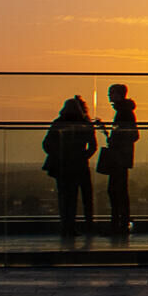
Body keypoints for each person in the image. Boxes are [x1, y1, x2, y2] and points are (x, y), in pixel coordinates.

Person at [43, 96, 98, 236]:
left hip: (63, 166)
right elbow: (93, 146)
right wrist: (82, 156)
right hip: (80, 165)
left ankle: (67, 227)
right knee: (86, 197)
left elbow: (47, 144)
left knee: (66, 198)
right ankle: (88, 226)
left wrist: (59, 155)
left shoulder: (59, 123)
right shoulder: (85, 123)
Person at [102, 83, 138, 235]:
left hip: (119, 158)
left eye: (112, 93)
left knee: (116, 191)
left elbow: (133, 135)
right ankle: (120, 223)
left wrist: (115, 140)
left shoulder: (123, 113)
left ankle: (118, 224)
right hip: (122, 157)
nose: (110, 96)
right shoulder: (125, 111)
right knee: (119, 190)